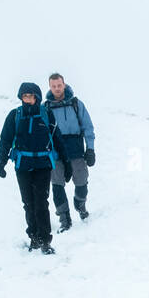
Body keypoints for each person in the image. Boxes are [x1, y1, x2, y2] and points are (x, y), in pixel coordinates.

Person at [0, 82, 67, 254]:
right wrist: (1, 161)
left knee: (41, 203)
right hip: (23, 166)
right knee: (28, 204)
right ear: (21, 97)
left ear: (37, 97)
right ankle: (33, 238)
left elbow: (57, 138)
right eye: (25, 96)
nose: (28, 99)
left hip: (43, 166)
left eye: (31, 96)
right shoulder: (15, 115)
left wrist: (66, 162)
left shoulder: (46, 114)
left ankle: (45, 241)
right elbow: (5, 139)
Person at [44, 73, 96, 231]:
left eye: (59, 85)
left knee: (82, 183)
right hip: (56, 153)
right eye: (53, 86)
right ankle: (64, 218)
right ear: (50, 87)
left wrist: (91, 149)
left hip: (76, 150)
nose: (57, 89)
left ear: (64, 85)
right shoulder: (45, 107)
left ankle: (80, 204)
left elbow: (88, 127)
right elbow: (42, 132)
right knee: (57, 185)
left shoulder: (76, 104)